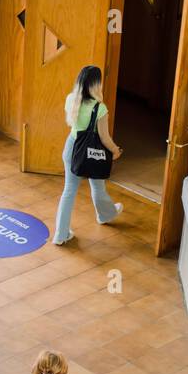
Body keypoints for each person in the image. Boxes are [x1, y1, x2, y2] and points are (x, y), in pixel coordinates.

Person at [54, 65, 124, 246]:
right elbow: (104, 138)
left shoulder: (71, 99)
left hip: (72, 148)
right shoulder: (100, 108)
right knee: (98, 187)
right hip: (93, 152)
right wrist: (116, 150)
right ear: (96, 85)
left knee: (68, 191)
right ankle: (106, 214)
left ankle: (60, 235)